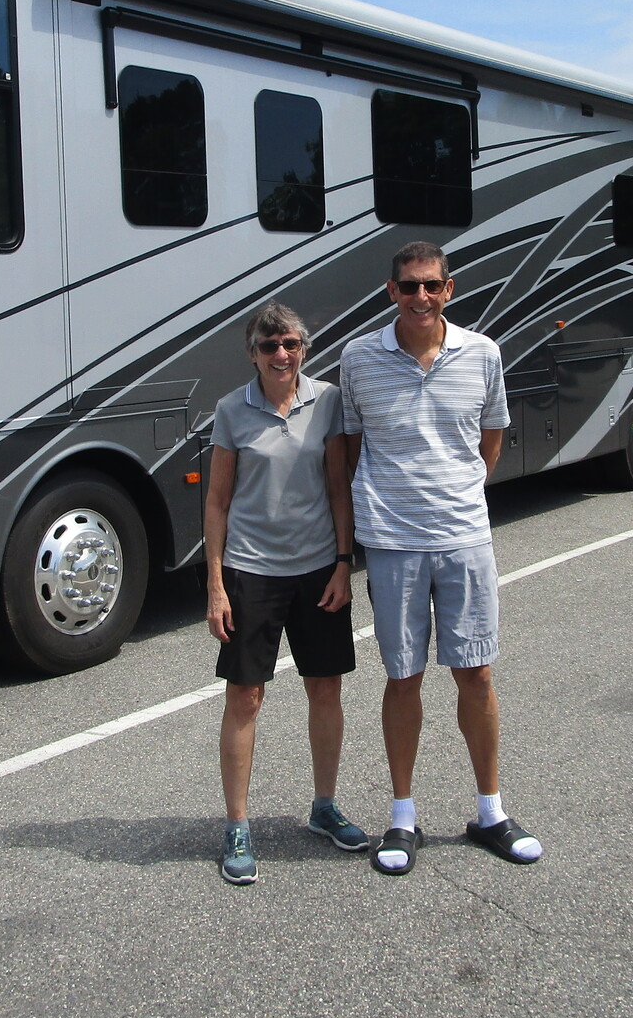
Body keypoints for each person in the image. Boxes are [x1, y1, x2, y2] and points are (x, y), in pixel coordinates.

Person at [340, 240, 543, 876]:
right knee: (403, 678)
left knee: (476, 674)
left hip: (464, 537)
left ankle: (491, 813)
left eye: (432, 285)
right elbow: (351, 447)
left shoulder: (482, 353)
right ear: (391, 292)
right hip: (392, 541)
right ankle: (403, 817)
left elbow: (491, 437)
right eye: (409, 286)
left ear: (449, 289)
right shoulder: (359, 358)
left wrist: (458, 493)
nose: (421, 297)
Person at [205, 302, 369, 885]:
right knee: (245, 697)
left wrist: (344, 564)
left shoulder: (327, 401)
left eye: (291, 344)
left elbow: (339, 487)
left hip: (318, 567)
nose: (281, 355)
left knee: (324, 688)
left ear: (304, 349)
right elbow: (218, 501)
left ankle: (324, 807)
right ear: (252, 353)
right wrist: (215, 584)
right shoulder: (232, 410)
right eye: (269, 345)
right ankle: (237, 825)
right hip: (252, 571)